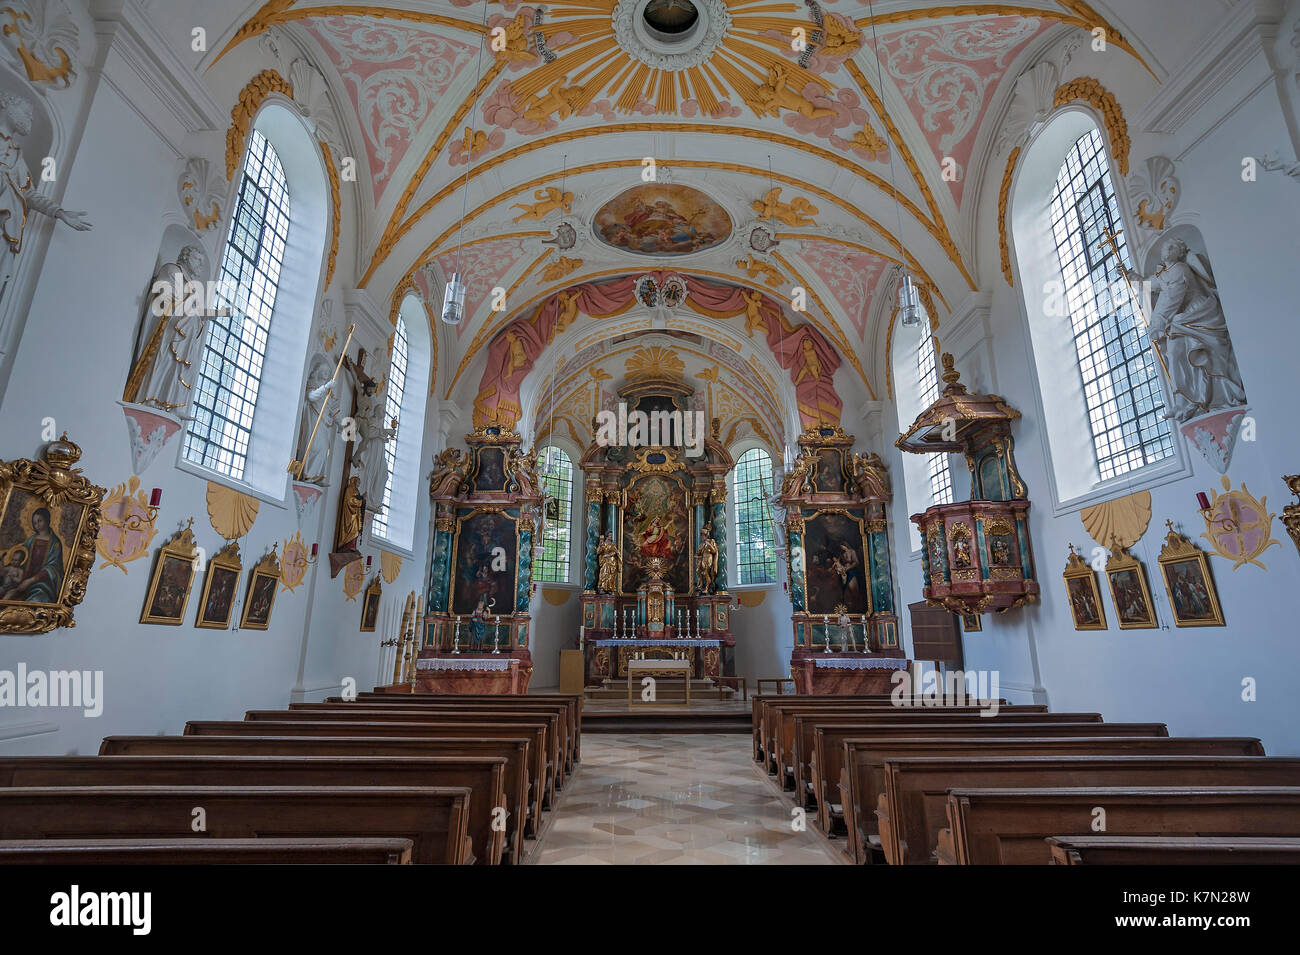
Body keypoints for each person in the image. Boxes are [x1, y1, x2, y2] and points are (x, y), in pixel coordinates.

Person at [3, 507, 64, 603]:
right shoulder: (31, 540)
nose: (37, 525)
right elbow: (20, 556)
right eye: (35, 522)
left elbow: (53, 568)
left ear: (47, 520)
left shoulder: (55, 543)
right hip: (25, 577)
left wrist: (31, 580)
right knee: (9, 592)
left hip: (42, 583)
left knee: (36, 599)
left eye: (40, 521)